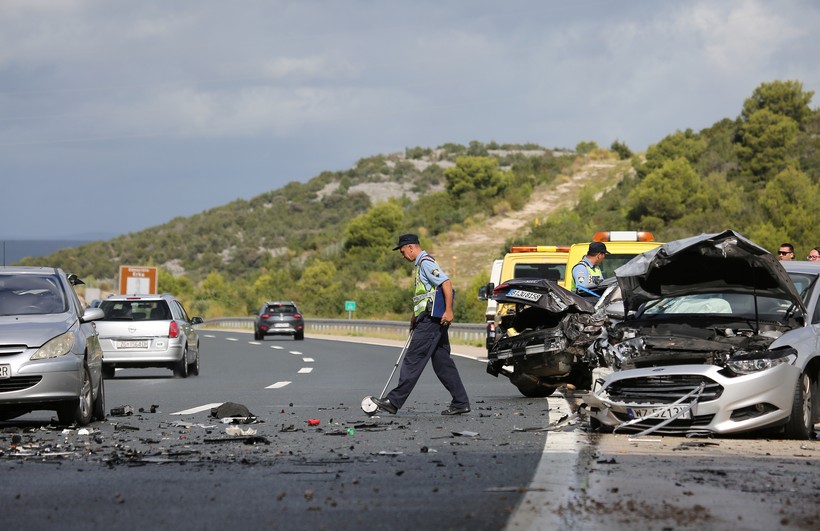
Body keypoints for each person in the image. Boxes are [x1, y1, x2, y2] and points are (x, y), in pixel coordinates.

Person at [372, 234, 471, 416]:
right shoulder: (420, 265)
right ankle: (461, 402)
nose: (403, 256)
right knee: (442, 363)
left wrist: (449, 310)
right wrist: (414, 316)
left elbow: (446, 283)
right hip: (428, 319)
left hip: (431, 322)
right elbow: (425, 295)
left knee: (413, 359)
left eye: (403, 252)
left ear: (411, 247)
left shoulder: (425, 262)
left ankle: (393, 402)